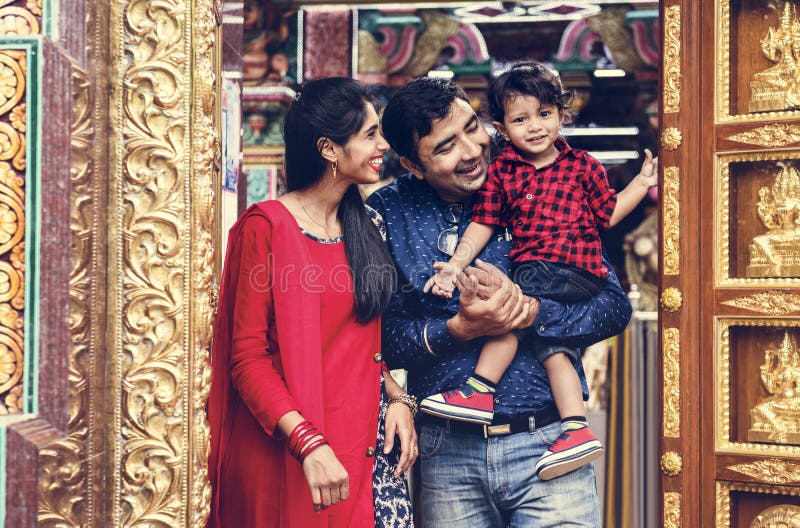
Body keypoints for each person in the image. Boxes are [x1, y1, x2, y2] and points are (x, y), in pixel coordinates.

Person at [366, 76, 632, 527]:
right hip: (444, 453)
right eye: (446, 146)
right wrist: (459, 329)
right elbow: (380, 342)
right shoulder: (388, 213)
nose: (471, 151)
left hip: (549, 442)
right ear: (412, 164)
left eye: (474, 128)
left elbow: (612, 306)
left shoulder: (546, 176)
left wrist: (533, 314)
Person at [420, 62, 658, 480]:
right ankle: (575, 427)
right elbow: (484, 223)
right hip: (542, 272)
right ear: (501, 127)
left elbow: (608, 214)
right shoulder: (503, 173)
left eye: (544, 114)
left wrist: (640, 183)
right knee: (554, 347)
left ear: (562, 114)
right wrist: (456, 263)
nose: (535, 127)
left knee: (507, 308)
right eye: (521, 119)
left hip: (574, 268)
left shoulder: (583, 165)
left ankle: (479, 390)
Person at [208, 77, 416, 528]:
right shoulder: (265, 227)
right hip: (295, 450)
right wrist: (308, 442)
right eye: (370, 134)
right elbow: (247, 358)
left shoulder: (366, 227)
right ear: (328, 148)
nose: (383, 144)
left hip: (365, 454)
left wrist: (399, 400)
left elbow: (358, 346)